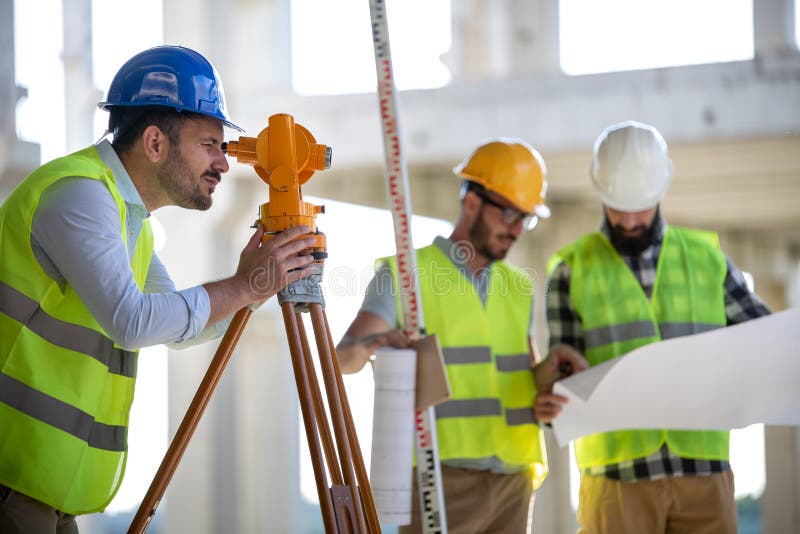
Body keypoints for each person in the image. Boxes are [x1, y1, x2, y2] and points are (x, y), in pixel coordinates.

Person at [0, 45, 317, 533]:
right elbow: (133, 321)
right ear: (154, 142)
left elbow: (182, 331)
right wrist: (241, 284)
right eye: (209, 144)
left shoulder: (132, 223)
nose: (224, 164)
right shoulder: (78, 195)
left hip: (46, 483)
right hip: (11, 474)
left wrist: (257, 287)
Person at [336, 138, 587, 534]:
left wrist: (548, 373)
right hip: (441, 480)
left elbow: (518, 375)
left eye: (526, 218)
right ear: (472, 202)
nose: (517, 229)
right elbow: (340, 361)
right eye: (509, 214)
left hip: (514, 481)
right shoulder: (406, 275)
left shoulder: (519, 287)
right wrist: (377, 345)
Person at [536, 120, 771, 534]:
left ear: (660, 192)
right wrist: (554, 391)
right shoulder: (572, 269)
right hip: (616, 479)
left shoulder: (707, 259)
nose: (628, 221)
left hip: (703, 471)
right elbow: (562, 373)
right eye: (616, 207)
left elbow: (766, 340)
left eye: (639, 207)